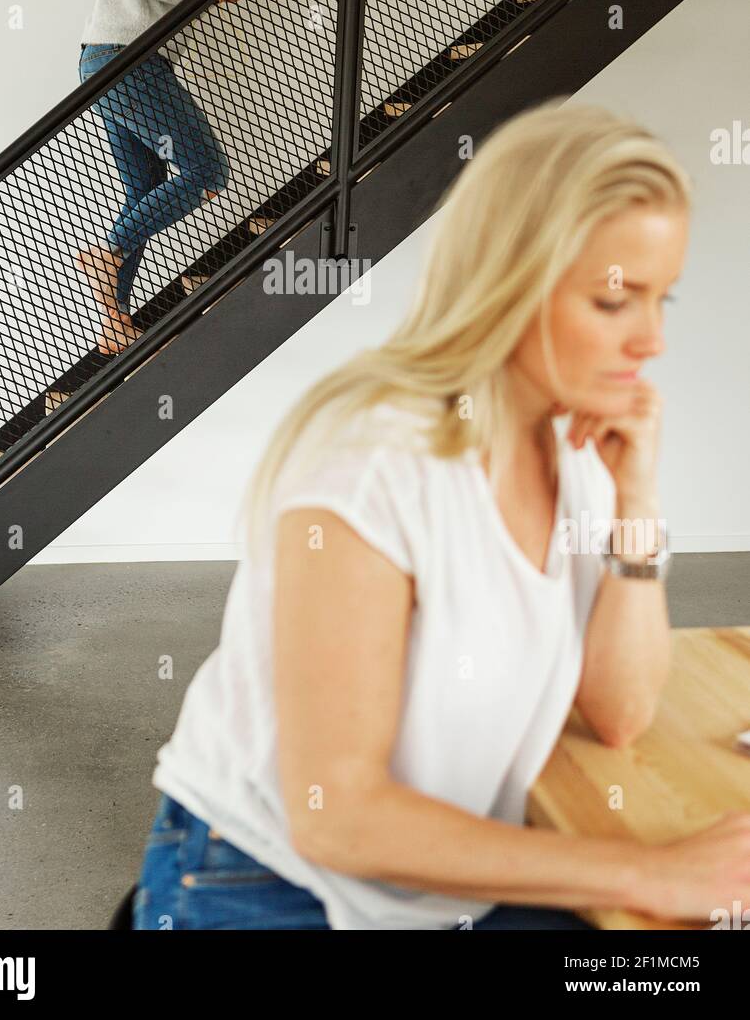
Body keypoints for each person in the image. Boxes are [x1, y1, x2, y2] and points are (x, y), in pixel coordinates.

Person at [133, 99, 750, 930]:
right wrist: (649, 874)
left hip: (436, 886)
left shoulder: (576, 447)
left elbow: (619, 711)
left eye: (660, 301)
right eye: (615, 302)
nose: (651, 342)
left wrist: (637, 502)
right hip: (269, 886)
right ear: (511, 281)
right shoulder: (376, 461)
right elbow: (337, 815)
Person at [76, 0, 264, 354]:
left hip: (108, 60)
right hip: (126, 61)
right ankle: (106, 253)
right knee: (207, 170)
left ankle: (114, 324)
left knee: (146, 189)